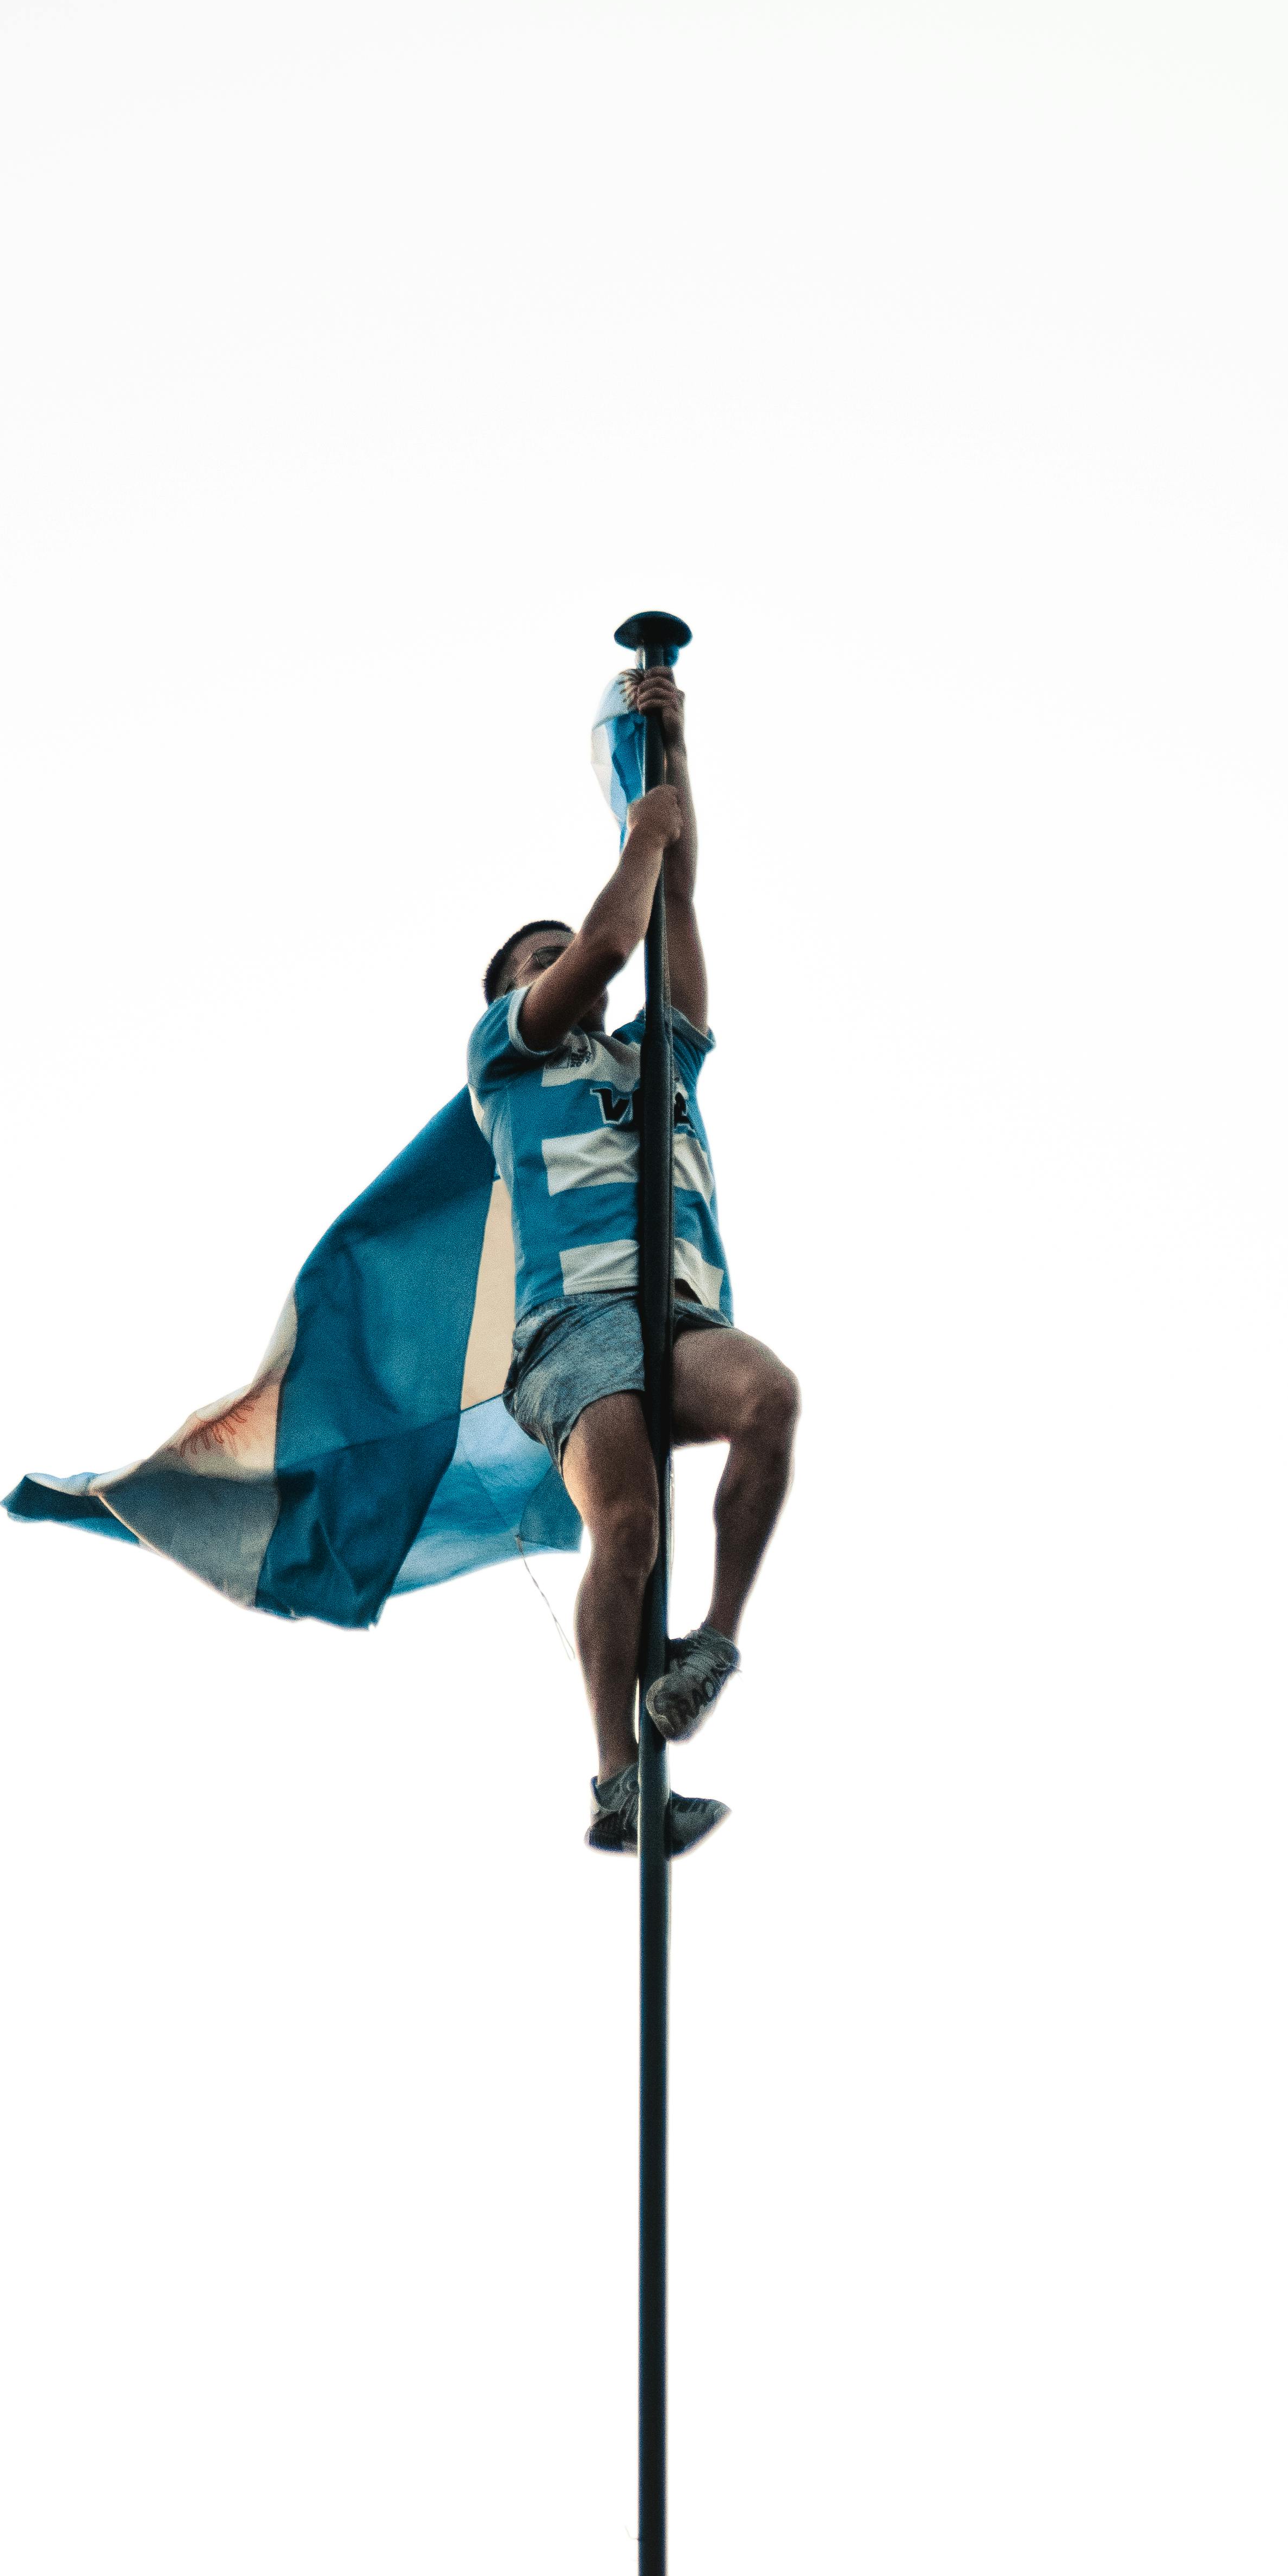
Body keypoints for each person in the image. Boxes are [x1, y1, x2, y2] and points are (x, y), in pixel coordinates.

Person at [466, 666, 799, 1856]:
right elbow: (615, 935)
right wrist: (640, 839)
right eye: (535, 960)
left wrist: (674, 757)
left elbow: (671, 918)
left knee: (769, 1396)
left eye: (557, 957)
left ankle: (707, 1643)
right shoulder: (508, 1059)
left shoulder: (658, 1065)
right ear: (517, 991)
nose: (564, 967)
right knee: (633, 1523)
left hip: (677, 1310)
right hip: (575, 1325)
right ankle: (618, 1778)